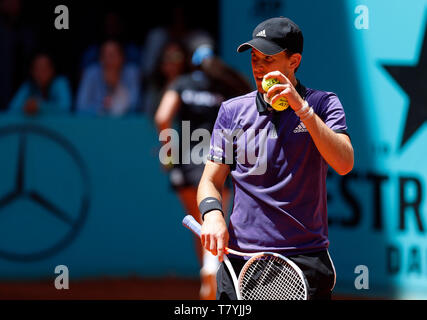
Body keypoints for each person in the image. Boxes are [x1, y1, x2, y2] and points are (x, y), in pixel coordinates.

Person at [197, 17, 354, 300]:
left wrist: (301, 109)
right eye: (254, 57)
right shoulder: (232, 111)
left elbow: (344, 164)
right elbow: (210, 179)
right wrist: (212, 216)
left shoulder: (323, 104)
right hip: (241, 262)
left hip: (304, 261)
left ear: (294, 61)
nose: (258, 66)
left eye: (268, 58)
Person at [155, 42, 251, 300]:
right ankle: (211, 270)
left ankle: (207, 272)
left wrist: (170, 154)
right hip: (217, 167)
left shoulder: (182, 83)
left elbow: (162, 117)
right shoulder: (227, 88)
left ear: (192, 64)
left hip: (186, 168)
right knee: (213, 225)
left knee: (202, 226)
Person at [76, 39, 140, 116]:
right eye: (104, 56)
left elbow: (133, 105)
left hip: (124, 125)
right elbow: (81, 106)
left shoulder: (131, 73)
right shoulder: (91, 73)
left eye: (112, 55)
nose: (108, 60)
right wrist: (101, 110)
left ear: (122, 58)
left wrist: (117, 85)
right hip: (95, 123)